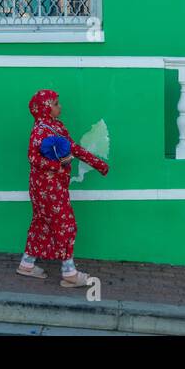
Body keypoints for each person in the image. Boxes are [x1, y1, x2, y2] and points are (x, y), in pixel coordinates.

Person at [18, 88, 110, 287]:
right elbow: (33, 157)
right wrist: (58, 166)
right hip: (47, 187)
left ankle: (27, 264)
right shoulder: (41, 130)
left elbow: (73, 148)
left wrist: (98, 164)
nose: (60, 106)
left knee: (41, 223)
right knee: (66, 224)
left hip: (49, 185)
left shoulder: (56, 126)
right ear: (46, 107)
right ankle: (69, 272)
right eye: (56, 103)